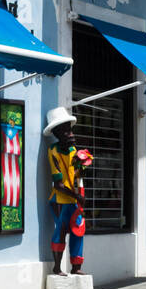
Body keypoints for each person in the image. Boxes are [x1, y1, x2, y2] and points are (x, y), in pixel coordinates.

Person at [44, 107, 90, 275]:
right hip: (60, 200)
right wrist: (76, 195)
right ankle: (57, 267)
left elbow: (76, 176)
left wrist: (82, 167)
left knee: (79, 231)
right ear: (57, 134)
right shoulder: (53, 151)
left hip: (73, 201)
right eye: (65, 132)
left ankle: (76, 267)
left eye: (70, 130)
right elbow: (58, 184)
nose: (71, 134)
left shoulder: (73, 151)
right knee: (61, 230)